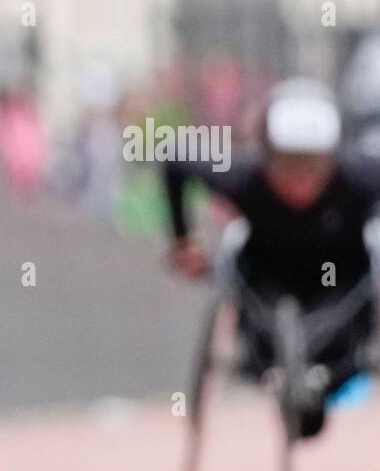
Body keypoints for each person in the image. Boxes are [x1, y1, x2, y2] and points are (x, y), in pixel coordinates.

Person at [163, 78, 380, 436]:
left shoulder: (360, 177)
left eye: (312, 164)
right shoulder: (242, 177)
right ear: (266, 157)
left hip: (343, 300)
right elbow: (175, 157)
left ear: (333, 159)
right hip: (264, 295)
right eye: (288, 163)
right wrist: (183, 240)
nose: (300, 179)